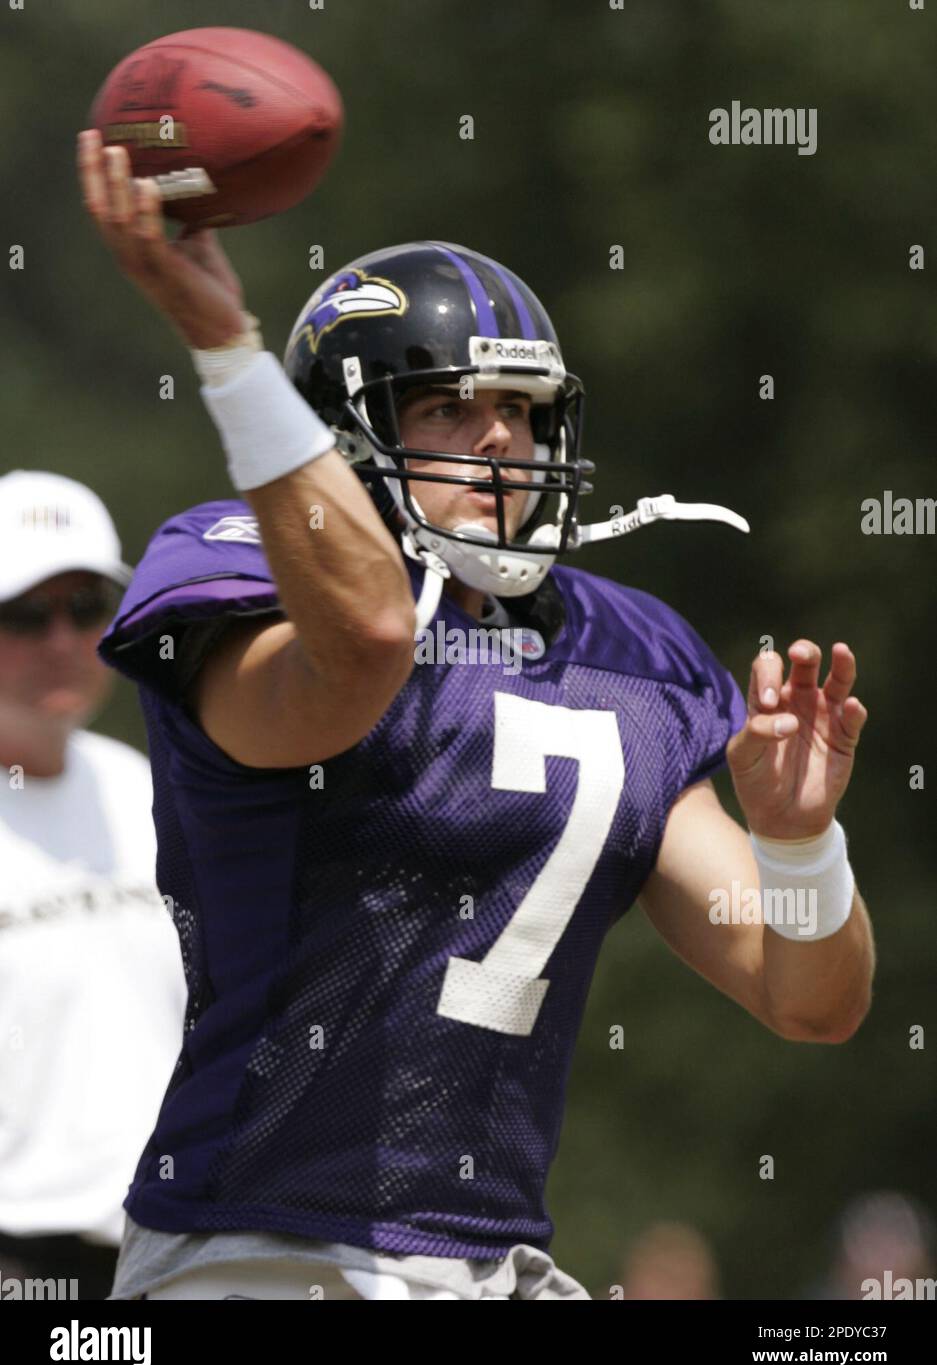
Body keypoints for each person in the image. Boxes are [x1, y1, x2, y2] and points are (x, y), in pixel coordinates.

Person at [77, 129, 876, 1302]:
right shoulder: (234, 565)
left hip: (490, 1265)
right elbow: (363, 650)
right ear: (339, 436)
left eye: (523, 405)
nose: (503, 437)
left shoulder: (629, 650)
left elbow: (810, 999)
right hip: (255, 1251)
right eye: (451, 406)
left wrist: (801, 840)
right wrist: (223, 349)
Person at [0, 469, 187, 1300]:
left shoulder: (148, 793)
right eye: (23, 615)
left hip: (173, 1253)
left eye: (86, 609)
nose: (62, 641)